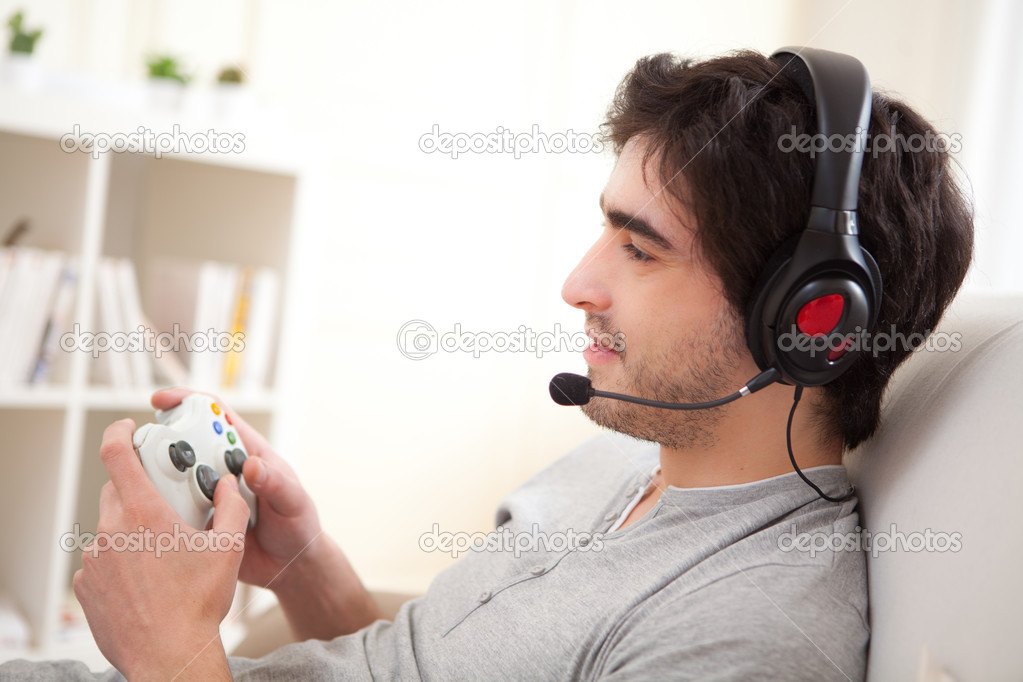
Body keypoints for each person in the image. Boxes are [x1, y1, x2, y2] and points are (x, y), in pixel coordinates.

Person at [1, 47, 972, 681]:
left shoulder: (750, 633)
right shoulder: (624, 459)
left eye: (640, 249)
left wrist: (168, 650)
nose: (577, 284)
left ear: (807, 321)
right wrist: (304, 564)